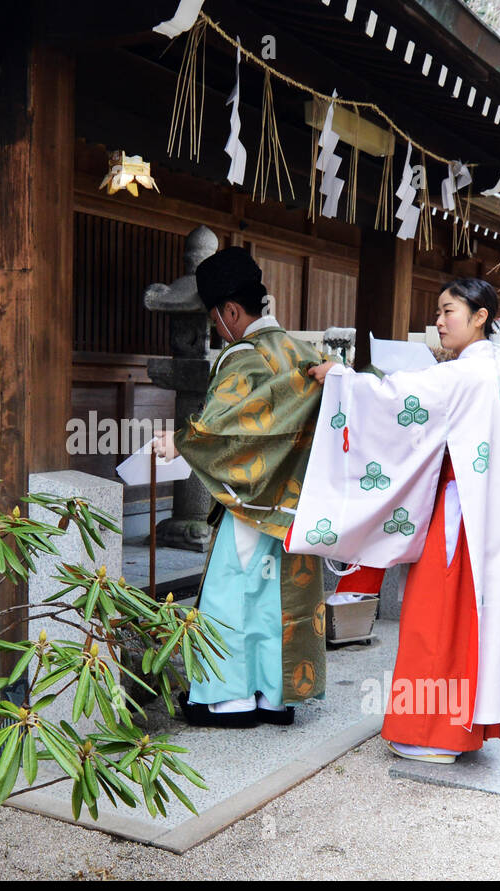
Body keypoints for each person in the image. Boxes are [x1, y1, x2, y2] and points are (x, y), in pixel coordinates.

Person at [291, 278, 500, 762]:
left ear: (480, 317)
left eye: (449, 311)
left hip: (459, 513)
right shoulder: (486, 368)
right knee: (449, 617)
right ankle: (452, 728)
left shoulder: (468, 372)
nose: (439, 321)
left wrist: (342, 378)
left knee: (433, 617)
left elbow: (398, 396)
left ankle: (433, 733)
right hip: (469, 510)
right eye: (438, 312)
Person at [154, 246, 327, 728]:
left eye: (215, 320)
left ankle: (230, 699)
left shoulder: (242, 356)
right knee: (280, 600)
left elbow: (226, 430)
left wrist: (181, 442)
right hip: (300, 507)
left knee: (231, 594)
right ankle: (274, 698)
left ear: (230, 311)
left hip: (252, 502)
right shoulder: (305, 352)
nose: (215, 330)